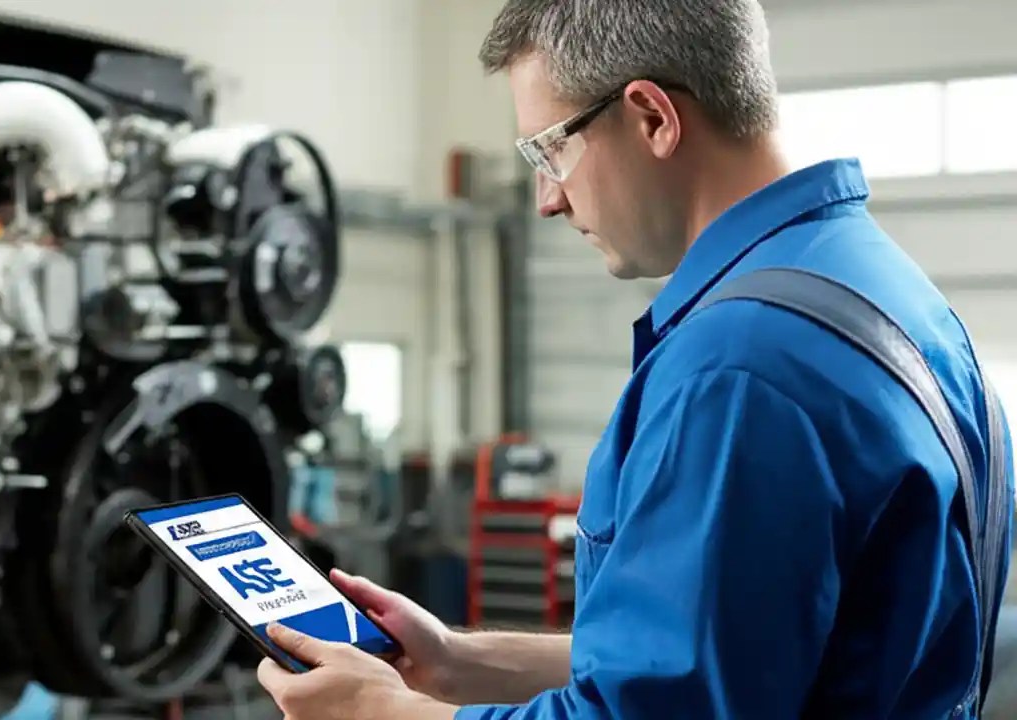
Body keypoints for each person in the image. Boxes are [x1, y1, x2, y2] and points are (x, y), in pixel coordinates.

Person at [256, 0, 1015, 718]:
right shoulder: (889, 295)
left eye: (549, 149)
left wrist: (385, 713)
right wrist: (458, 660)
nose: (547, 199)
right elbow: (726, 661)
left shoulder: (739, 367)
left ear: (651, 116)